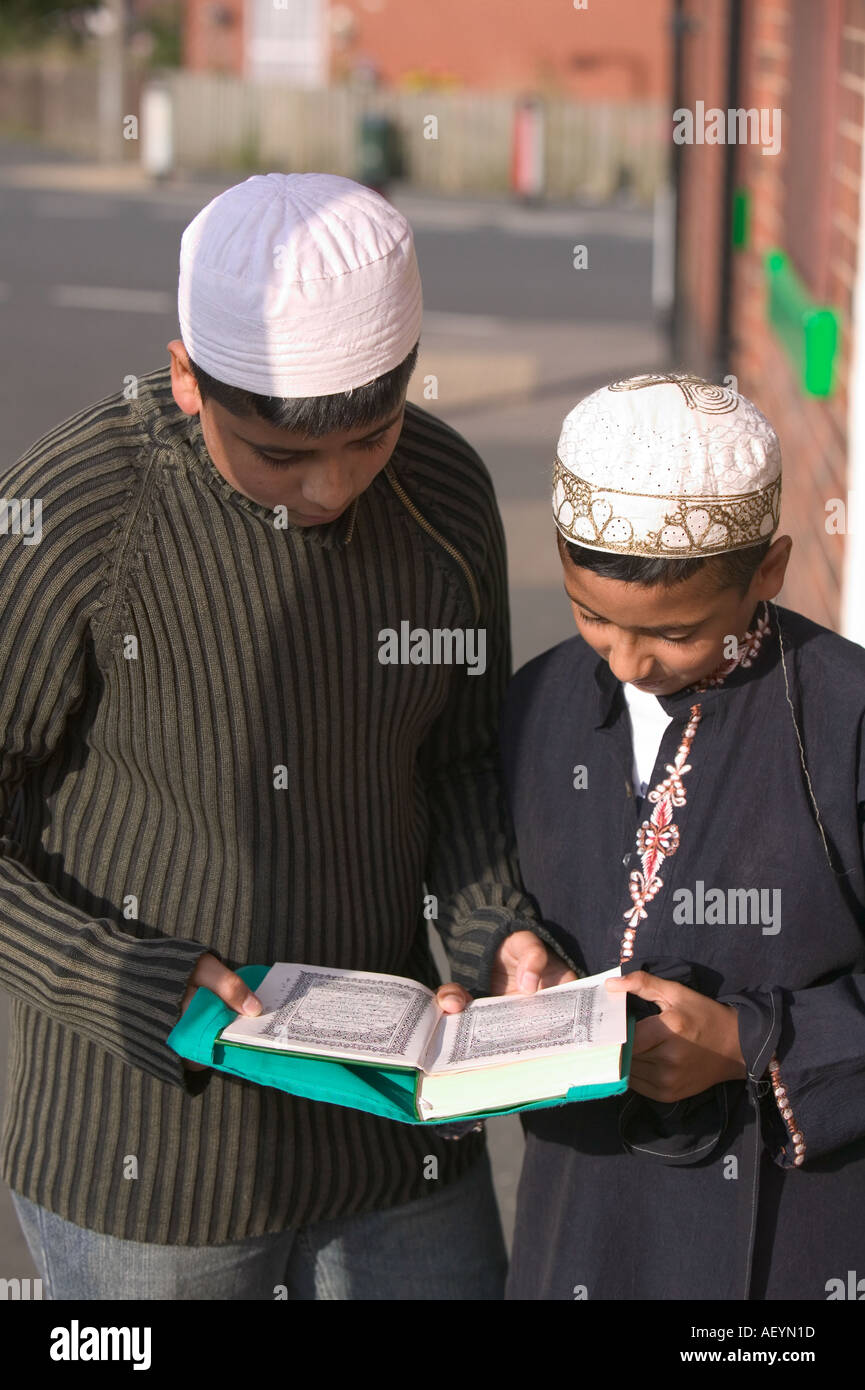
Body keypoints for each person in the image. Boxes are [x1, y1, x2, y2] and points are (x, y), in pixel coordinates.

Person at [0, 172, 574, 1300]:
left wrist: (496, 934)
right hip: (145, 1161)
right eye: (277, 454)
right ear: (184, 376)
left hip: (398, 1134)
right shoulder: (69, 519)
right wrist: (118, 976)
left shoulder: (445, 496)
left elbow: (456, 762)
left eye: (370, 438)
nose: (329, 487)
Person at [448, 371, 865, 1300]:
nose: (628, 663)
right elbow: (494, 881)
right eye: (591, 615)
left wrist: (751, 1040)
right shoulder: (540, 700)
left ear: (767, 570)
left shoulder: (844, 718)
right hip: (581, 1221)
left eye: (674, 634)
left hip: (795, 1238)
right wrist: (510, 958)